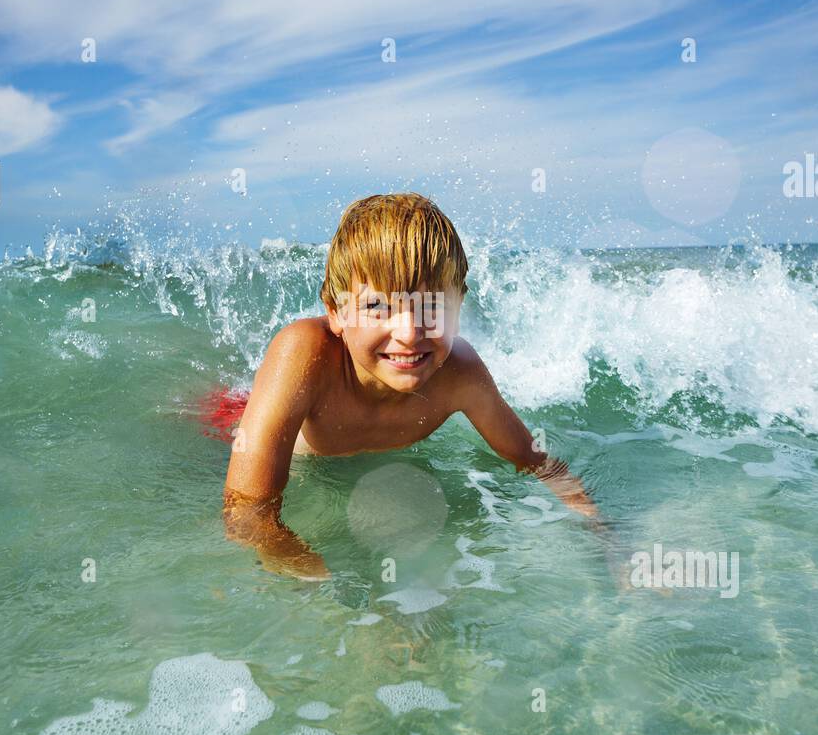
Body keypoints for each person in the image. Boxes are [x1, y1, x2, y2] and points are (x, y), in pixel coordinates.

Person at [221, 192, 598, 581]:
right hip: (232, 425)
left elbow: (537, 463)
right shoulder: (304, 354)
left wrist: (602, 535)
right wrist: (320, 583)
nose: (409, 333)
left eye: (432, 306)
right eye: (376, 307)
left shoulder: (460, 373)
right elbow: (245, 512)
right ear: (336, 312)